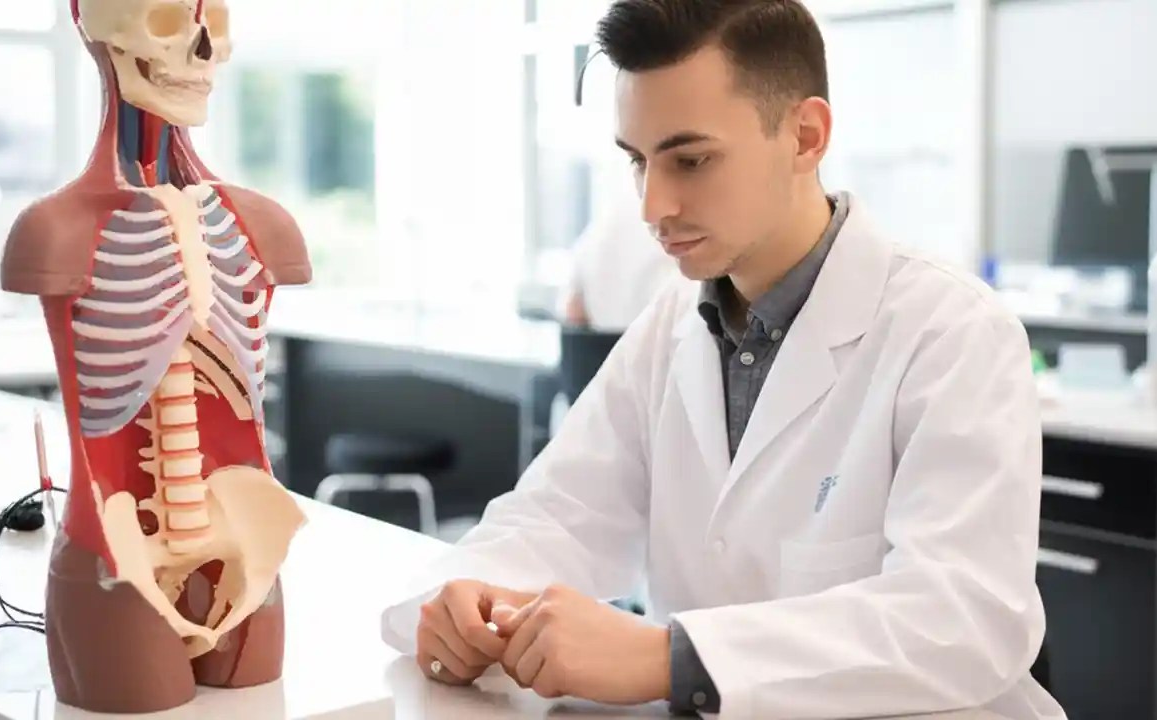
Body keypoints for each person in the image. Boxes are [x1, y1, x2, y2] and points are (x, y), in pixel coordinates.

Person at [382, 2, 1066, 718]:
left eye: (691, 160)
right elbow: (555, 516)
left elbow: (962, 622)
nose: (653, 206)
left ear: (805, 136)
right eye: (637, 161)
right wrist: (461, 600)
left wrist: (667, 657)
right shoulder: (669, 329)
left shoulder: (952, 331)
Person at [561, 174, 680, 331]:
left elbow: (573, 311)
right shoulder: (676, 227)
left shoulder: (603, 222)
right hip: (669, 345)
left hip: (603, 348)